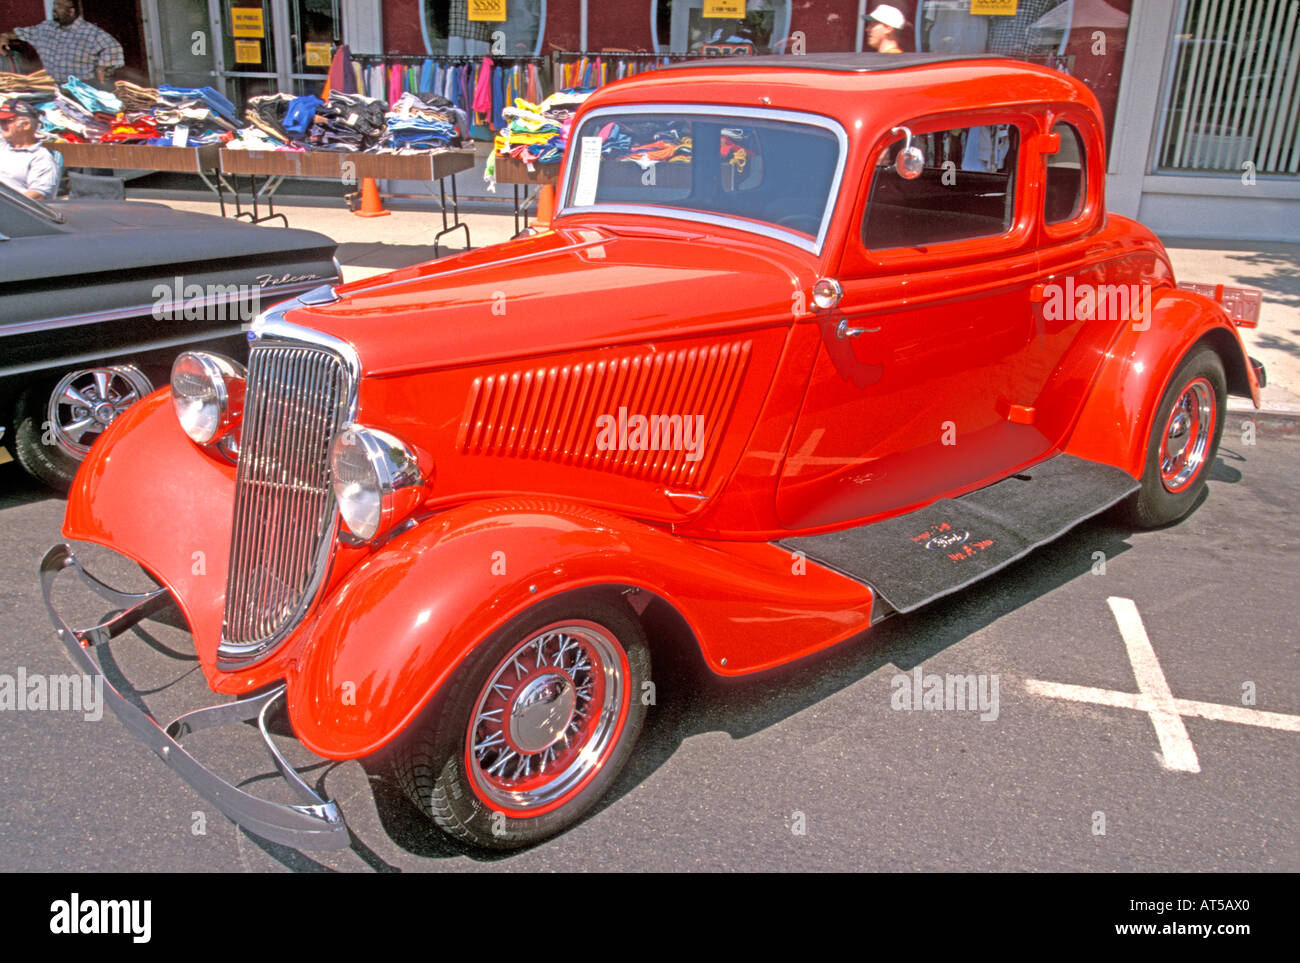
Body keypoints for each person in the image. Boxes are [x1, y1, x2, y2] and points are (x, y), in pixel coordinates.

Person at [0, 0, 124, 87]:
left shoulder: (89, 32)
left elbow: (112, 47)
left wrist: (102, 69)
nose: (54, 9)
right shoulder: (46, 28)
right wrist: (5, 36)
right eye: (54, 4)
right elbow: (21, 33)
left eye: (59, 6)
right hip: (54, 89)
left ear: (71, 11)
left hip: (82, 88)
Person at [0, 101, 58, 200]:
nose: (1, 124)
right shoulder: (3, 144)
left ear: (26, 125)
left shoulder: (40, 158)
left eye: (7, 121)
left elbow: (38, 194)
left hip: (11, 209)